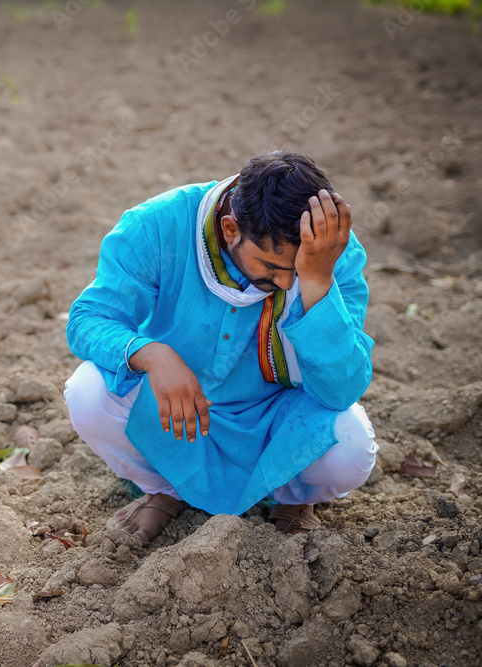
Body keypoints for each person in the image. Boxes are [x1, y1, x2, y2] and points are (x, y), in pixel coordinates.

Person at [64, 151, 378, 542]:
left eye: (295, 271)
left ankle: (294, 500)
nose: (284, 284)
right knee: (88, 393)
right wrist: (153, 355)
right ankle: (165, 490)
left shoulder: (330, 251)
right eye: (272, 267)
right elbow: (88, 319)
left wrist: (316, 281)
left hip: (277, 416)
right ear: (230, 230)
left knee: (352, 446)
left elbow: (342, 389)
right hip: (182, 407)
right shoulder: (157, 225)